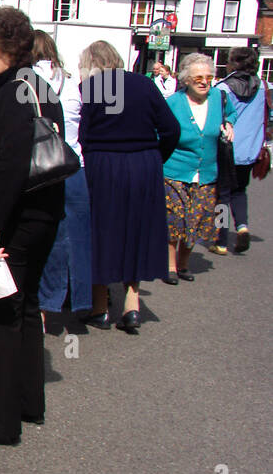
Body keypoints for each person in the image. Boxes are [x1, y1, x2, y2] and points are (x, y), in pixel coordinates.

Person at [0, 8, 67, 446]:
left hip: (17, 218)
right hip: (45, 212)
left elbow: (10, 165)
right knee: (27, 309)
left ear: (3, 47)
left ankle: (0, 422)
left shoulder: (14, 92)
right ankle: (28, 402)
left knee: (3, 312)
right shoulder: (41, 86)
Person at [78, 41, 180, 334]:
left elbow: (82, 135)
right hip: (144, 165)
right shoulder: (145, 85)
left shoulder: (93, 88)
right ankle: (132, 306)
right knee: (135, 231)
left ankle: (99, 308)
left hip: (103, 166)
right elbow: (172, 129)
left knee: (101, 232)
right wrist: (155, 158)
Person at [33, 32, 92, 319]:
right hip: (74, 165)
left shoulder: (27, 81)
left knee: (43, 236)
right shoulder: (72, 83)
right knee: (77, 238)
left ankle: (43, 307)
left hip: (41, 168)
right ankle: (76, 300)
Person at [162, 53, 234, 282]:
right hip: (174, 171)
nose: (204, 82)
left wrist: (230, 124)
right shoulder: (173, 103)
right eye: (198, 78)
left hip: (208, 173)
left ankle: (184, 264)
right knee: (175, 220)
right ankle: (170, 266)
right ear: (186, 80)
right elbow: (159, 131)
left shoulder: (219, 98)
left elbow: (230, 113)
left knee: (196, 221)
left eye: (209, 77)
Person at [214, 46, 270, 254]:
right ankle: (242, 227)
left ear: (233, 63)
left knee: (221, 195)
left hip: (226, 148)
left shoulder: (224, 88)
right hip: (250, 149)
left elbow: (216, 117)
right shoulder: (263, 86)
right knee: (240, 191)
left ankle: (220, 239)